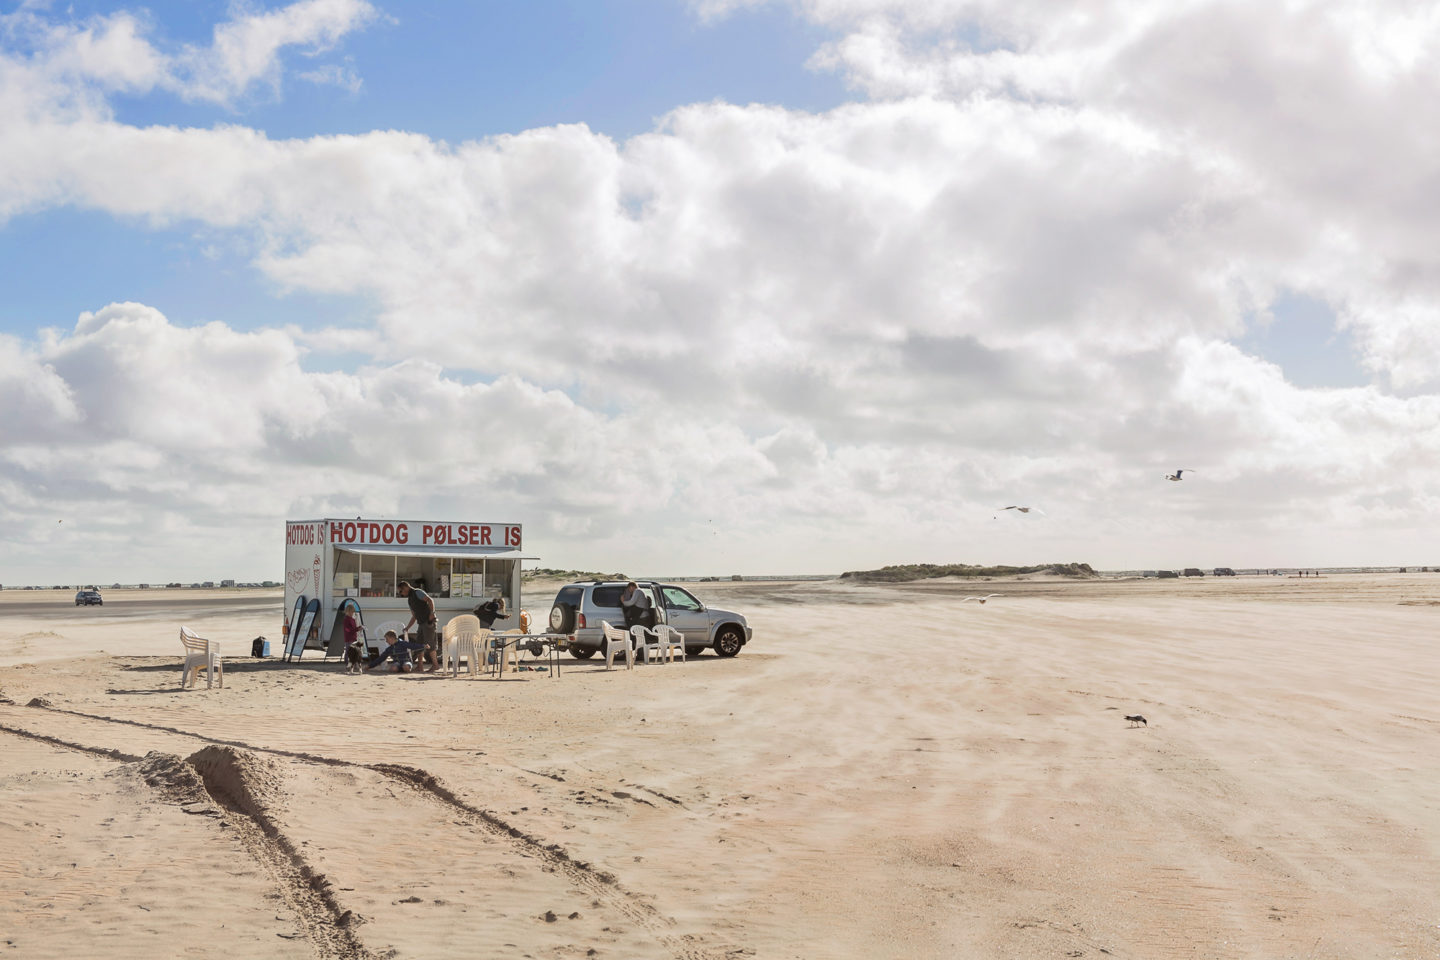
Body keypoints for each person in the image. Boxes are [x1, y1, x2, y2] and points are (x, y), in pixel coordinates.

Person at [399, 580, 439, 672]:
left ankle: (435, 665)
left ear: (405, 588)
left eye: (401, 591)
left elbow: (430, 600)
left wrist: (432, 613)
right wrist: (408, 627)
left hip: (428, 621)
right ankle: (420, 666)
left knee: (430, 644)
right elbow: (414, 616)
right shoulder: (409, 600)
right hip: (421, 623)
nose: (401, 593)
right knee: (419, 644)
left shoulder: (417, 592)